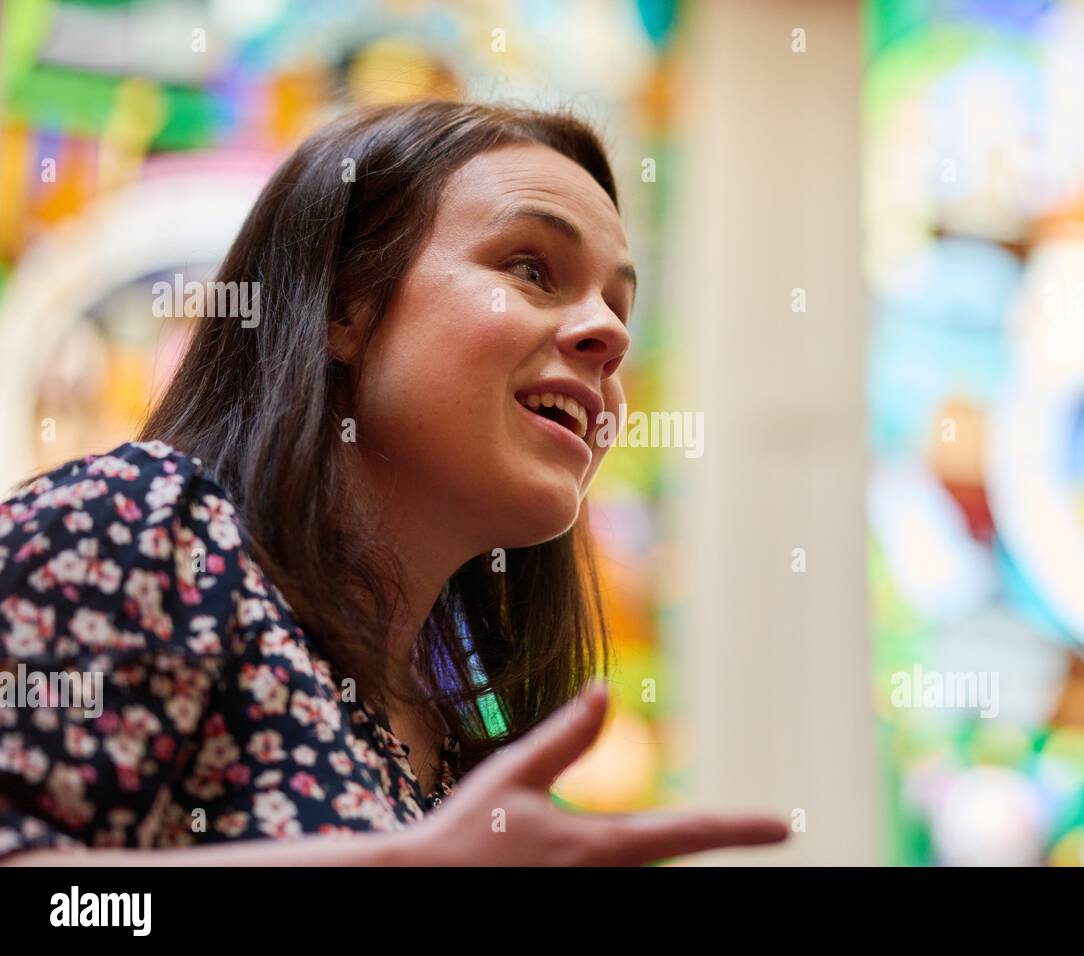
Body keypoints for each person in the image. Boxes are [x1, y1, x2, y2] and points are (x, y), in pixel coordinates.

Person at [0, 100, 787, 865]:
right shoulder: (137, 530)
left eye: (618, 306)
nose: (612, 335)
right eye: (531, 268)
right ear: (347, 305)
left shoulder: (451, 744)